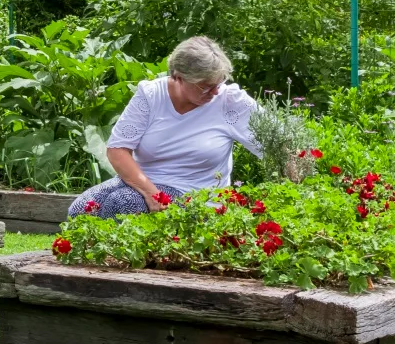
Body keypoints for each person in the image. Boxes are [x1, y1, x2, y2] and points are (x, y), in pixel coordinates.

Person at [70, 35, 261, 217]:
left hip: (195, 195)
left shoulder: (231, 102)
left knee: (122, 203)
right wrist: (152, 193)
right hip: (145, 182)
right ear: (179, 77)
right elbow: (117, 150)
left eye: (219, 83)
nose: (215, 91)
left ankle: (143, 252)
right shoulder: (152, 94)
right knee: (79, 210)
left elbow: (279, 142)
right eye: (206, 86)